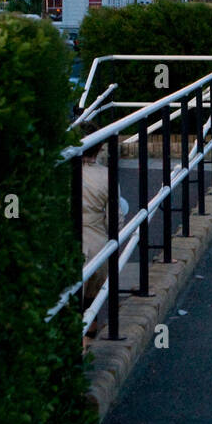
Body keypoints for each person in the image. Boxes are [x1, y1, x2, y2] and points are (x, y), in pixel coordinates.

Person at [80, 142, 130, 340]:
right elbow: (114, 219)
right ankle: (86, 347)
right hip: (97, 242)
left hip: (69, 241)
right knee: (91, 303)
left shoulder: (62, 173)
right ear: (99, 148)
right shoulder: (106, 176)